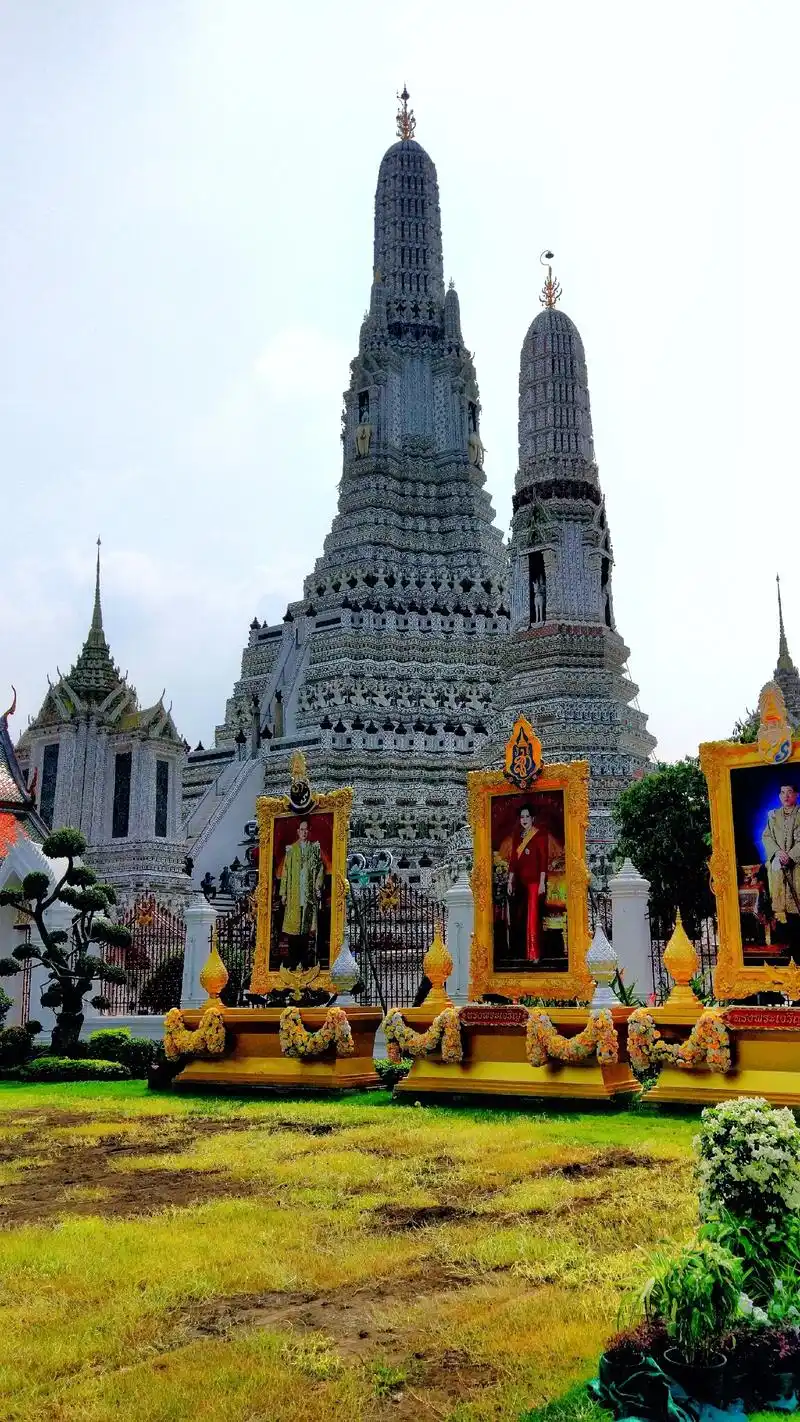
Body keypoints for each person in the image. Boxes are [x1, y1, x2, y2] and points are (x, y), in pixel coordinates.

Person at [506, 803, 549, 962]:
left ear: (533, 818)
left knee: (532, 917)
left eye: (527, 817)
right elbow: (513, 861)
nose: (524, 819)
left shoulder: (539, 835)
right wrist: (510, 881)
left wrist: (542, 882)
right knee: (521, 918)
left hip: (534, 883)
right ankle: (523, 953)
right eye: (522, 817)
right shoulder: (518, 836)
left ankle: (534, 953)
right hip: (520, 883)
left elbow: (543, 860)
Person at [279, 819, 324, 968]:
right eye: (301, 829)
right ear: (298, 831)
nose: (304, 832)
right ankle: (293, 960)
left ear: (309, 831)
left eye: (306, 830)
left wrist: (318, 886)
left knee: (306, 925)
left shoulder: (314, 848)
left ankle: (304, 960)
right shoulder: (291, 850)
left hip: (308, 893)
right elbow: (285, 872)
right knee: (293, 926)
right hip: (294, 892)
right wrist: (283, 893)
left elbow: (320, 869)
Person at [763, 784, 800, 953]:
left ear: (796, 795)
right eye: (783, 792)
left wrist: (790, 855)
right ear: (779, 795)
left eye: (790, 792)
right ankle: (792, 947)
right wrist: (778, 852)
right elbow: (767, 836)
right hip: (779, 867)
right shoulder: (773, 816)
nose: (786, 796)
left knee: (797, 903)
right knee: (784, 908)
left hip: (797, 866)